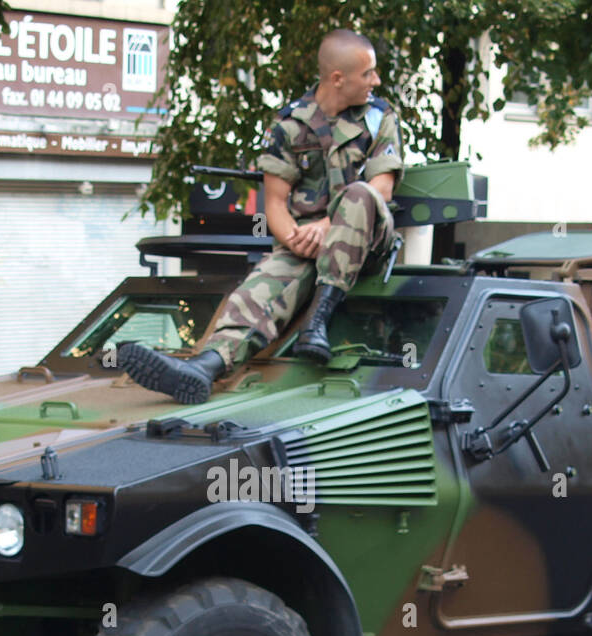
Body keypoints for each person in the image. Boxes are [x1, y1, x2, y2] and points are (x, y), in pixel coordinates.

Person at [118, 28, 404, 404]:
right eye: (368, 73)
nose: (376, 81)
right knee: (258, 290)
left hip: (368, 243)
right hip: (308, 245)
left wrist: (324, 226)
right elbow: (273, 204)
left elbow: (380, 189)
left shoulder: (379, 118)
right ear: (338, 78)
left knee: (358, 194)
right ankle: (205, 366)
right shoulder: (289, 126)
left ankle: (315, 324)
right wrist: (295, 238)